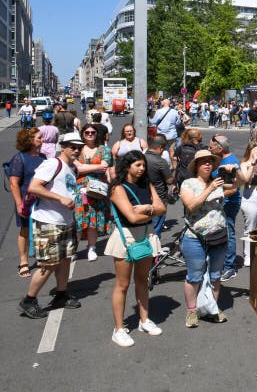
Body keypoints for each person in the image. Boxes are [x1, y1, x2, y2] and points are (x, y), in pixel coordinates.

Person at [18, 132, 84, 319]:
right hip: (48, 221)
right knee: (48, 263)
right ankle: (29, 300)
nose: (76, 150)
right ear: (63, 147)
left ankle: (61, 295)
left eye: (79, 147)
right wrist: (60, 198)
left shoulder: (72, 167)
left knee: (64, 259)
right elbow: (34, 187)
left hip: (66, 220)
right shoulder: (52, 164)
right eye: (72, 146)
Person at [106, 151, 166, 347]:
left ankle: (144, 320)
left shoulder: (146, 184)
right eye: (137, 165)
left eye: (143, 166)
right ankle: (118, 329)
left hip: (146, 234)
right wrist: (150, 211)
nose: (141, 169)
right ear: (127, 166)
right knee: (122, 285)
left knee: (142, 280)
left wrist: (145, 209)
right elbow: (131, 217)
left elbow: (162, 208)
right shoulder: (118, 187)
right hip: (127, 236)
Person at [179, 150, 228, 327]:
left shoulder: (218, 182)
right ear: (196, 166)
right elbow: (191, 205)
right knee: (194, 276)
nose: (207, 164)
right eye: (203, 162)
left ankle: (211, 308)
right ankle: (192, 311)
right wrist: (210, 189)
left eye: (210, 162)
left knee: (215, 275)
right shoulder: (188, 183)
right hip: (195, 237)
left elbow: (241, 183)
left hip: (219, 236)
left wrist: (237, 169)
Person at [8, 128, 47, 278]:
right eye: (39, 138)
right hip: (26, 201)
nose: (42, 140)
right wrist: (19, 204)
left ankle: (41, 258)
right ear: (30, 140)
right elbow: (14, 183)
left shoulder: (43, 157)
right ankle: (23, 261)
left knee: (41, 229)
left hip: (42, 200)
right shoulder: (20, 158)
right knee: (25, 230)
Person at [74, 124, 113, 261]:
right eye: (87, 132)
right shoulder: (77, 149)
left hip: (98, 190)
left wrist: (85, 168)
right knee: (79, 221)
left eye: (93, 132)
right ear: (82, 134)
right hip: (80, 190)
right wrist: (96, 168)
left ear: (97, 134)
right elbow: (78, 168)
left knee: (92, 221)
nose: (90, 134)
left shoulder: (104, 149)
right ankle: (73, 250)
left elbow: (105, 166)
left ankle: (92, 248)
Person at [209, 135, 242, 281]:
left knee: (228, 233)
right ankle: (220, 262)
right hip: (218, 202)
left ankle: (229, 267)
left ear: (219, 148)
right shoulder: (219, 159)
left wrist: (215, 196)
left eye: (211, 147)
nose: (209, 149)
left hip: (228, 203)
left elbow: (234, 188)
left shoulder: (232, 163)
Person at [143, 134, 174, 238]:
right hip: (159, 197)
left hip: (142, 195)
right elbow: (169, 181)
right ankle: (155, 250)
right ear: (160, 148)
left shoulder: (140, 157)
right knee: (156, 227)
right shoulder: (160, 162)